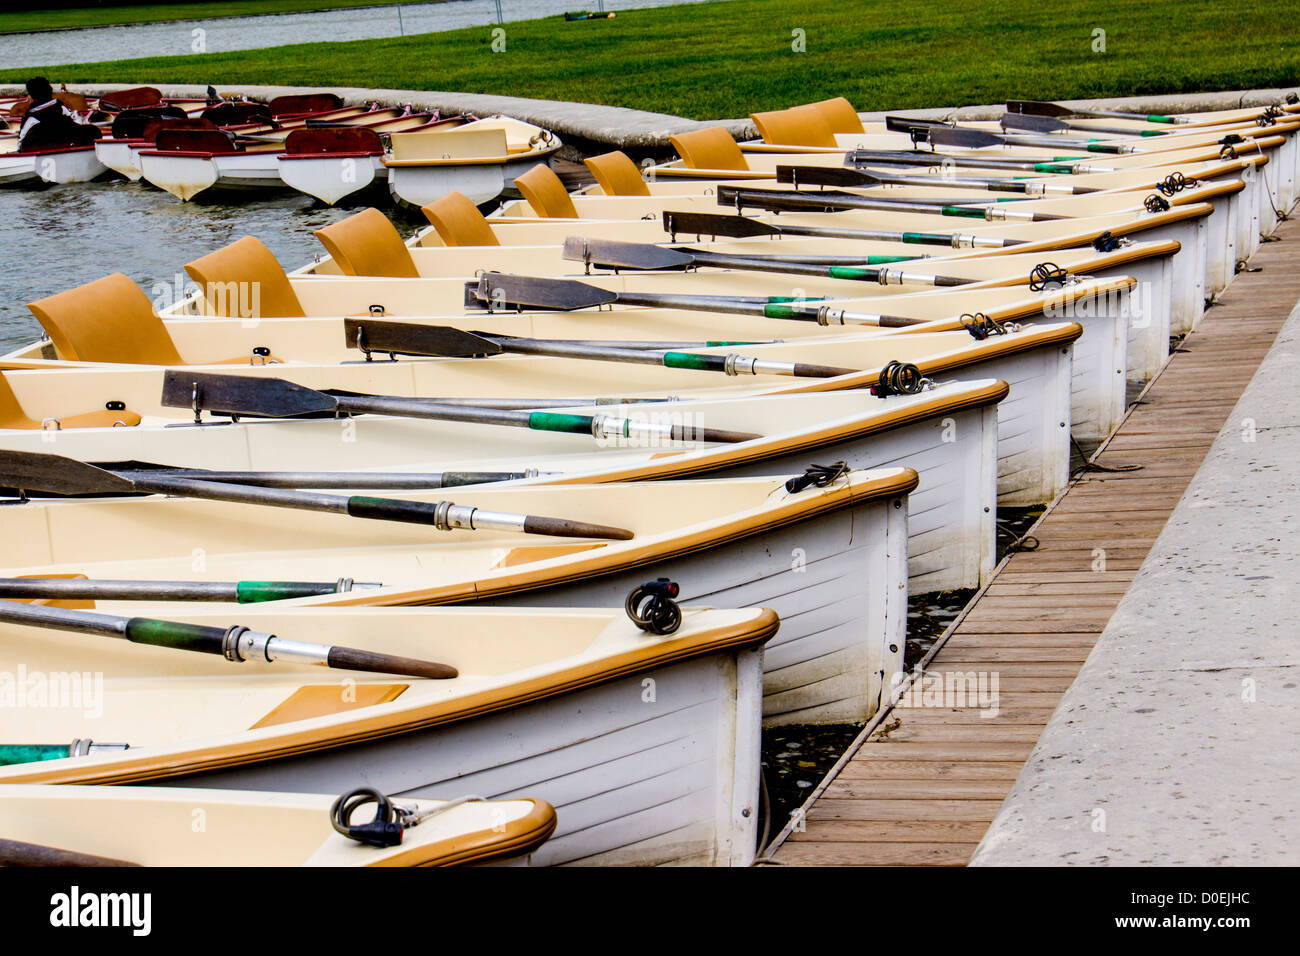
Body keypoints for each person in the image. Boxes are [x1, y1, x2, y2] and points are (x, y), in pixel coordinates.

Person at [17, 76, 98, 152]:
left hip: (43, 150)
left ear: (32, 97)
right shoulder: (62, 108)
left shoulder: (31, 118)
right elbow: (77, 122)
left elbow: (20, 143)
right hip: (67, 145)